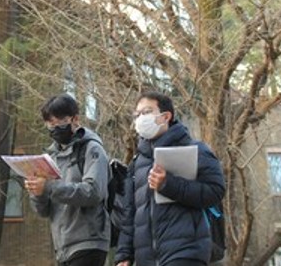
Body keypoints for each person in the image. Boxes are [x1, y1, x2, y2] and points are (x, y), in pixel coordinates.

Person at [114, 90, 225, 266]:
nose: (141, 118)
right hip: (146, 259)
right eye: (137, 114)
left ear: (166, 116)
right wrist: (124, 254)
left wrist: (168, 185)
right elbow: (130, 212)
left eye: (147, 112)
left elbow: (215, 191)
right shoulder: (137, 163)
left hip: (186, 252)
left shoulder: (196, 150)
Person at [26, 94, 111, 266]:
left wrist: (49, 187)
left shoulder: (92, 149)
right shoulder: (51, 158)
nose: (55, 127)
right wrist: (37, 192)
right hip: (62, 245)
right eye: (50, 123)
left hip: (88, 241)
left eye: (61, 121)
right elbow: (43, 211)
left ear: (75, 119)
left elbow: (93, 192)